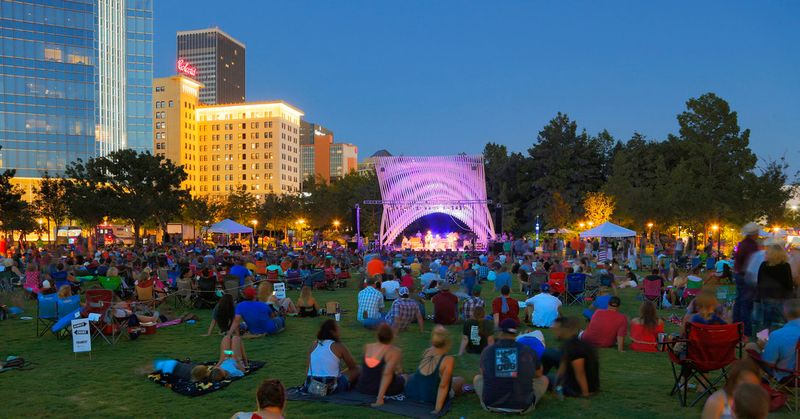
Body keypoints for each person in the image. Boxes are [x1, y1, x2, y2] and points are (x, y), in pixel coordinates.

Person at [473, 319, 548, 413]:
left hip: (491, 404)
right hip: (522, 405)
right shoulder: (528, 351)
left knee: (477, 378)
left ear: (500, 332)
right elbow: (539, 374)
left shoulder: (487, 351)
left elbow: (483, 373)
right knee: (544, 379)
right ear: (516, 333)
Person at [405, 326, 464, 414]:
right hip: (431, 397)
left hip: (412, 393)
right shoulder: (448, 360)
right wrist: (437, 409)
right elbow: (443, 386)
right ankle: (456, 394)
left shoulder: (426, 351)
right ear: (448, 342)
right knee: (459, 380)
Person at [746, 299, 800, 381]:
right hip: (795, 376)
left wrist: (765, 346)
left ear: (785, 313)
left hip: (788, 376)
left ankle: (753, 381)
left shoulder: (778, 335)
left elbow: (769, 362)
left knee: (751, 346)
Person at [303, 319, 360, 395]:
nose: (340, 331)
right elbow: (353, 366)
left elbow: (307, 371)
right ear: (332, 332)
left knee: (341, 373)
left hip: (310, 385)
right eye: (338, 328)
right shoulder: (338, 346)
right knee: (358, 369)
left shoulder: (314, 345)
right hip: (331, 387)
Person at [355, 324, 405, 407]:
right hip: (381, 389)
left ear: (377, 335)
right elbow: (387, 374)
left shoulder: (368, 347)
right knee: (405, 377)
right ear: (392, 336)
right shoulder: (394, 351)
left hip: (363, 387)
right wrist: (380, 399)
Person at [549, 316, 600, 397]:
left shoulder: (573, 347)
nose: (554, 331)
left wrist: (585, 393)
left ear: (564, 330)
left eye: (556, 329)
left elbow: (580, 372)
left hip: (578, 389)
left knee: (546, 378)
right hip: (592, 386)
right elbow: (562, 368)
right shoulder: (579, 343)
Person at [753, 238, 795, 333]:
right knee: (785, 321)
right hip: (782, 298)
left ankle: (763, 342)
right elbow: (789, 284)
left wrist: (759, 297)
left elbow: (760, 282)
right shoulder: (785, 266)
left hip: (766, 297)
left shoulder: (764, 265)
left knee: (766, 322)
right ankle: (784, 339)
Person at [734, 222, 761, 337]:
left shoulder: (743, 243)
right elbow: (753, 263)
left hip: (739, 274)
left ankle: (736, 326)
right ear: (754, 233)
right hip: (746, 275)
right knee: (746, 304)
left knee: (739, 301)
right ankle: (746, 330)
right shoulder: (751, 246)